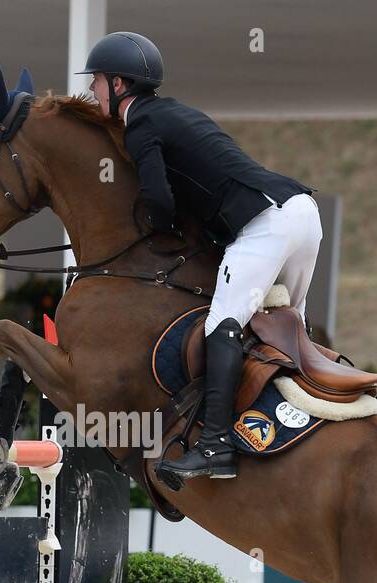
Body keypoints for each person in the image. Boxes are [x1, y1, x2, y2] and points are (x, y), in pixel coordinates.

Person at [77, 31, 317, 485]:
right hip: (302, 213)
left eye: (98, 81)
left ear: (120, 85)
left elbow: (160, 200)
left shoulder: (140, 123)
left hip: (266, 222)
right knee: (286, 324)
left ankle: (215, 446)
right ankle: (290, 420)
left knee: (222, 325)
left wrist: (159, 230)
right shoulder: (175, 111)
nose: (93, 90)